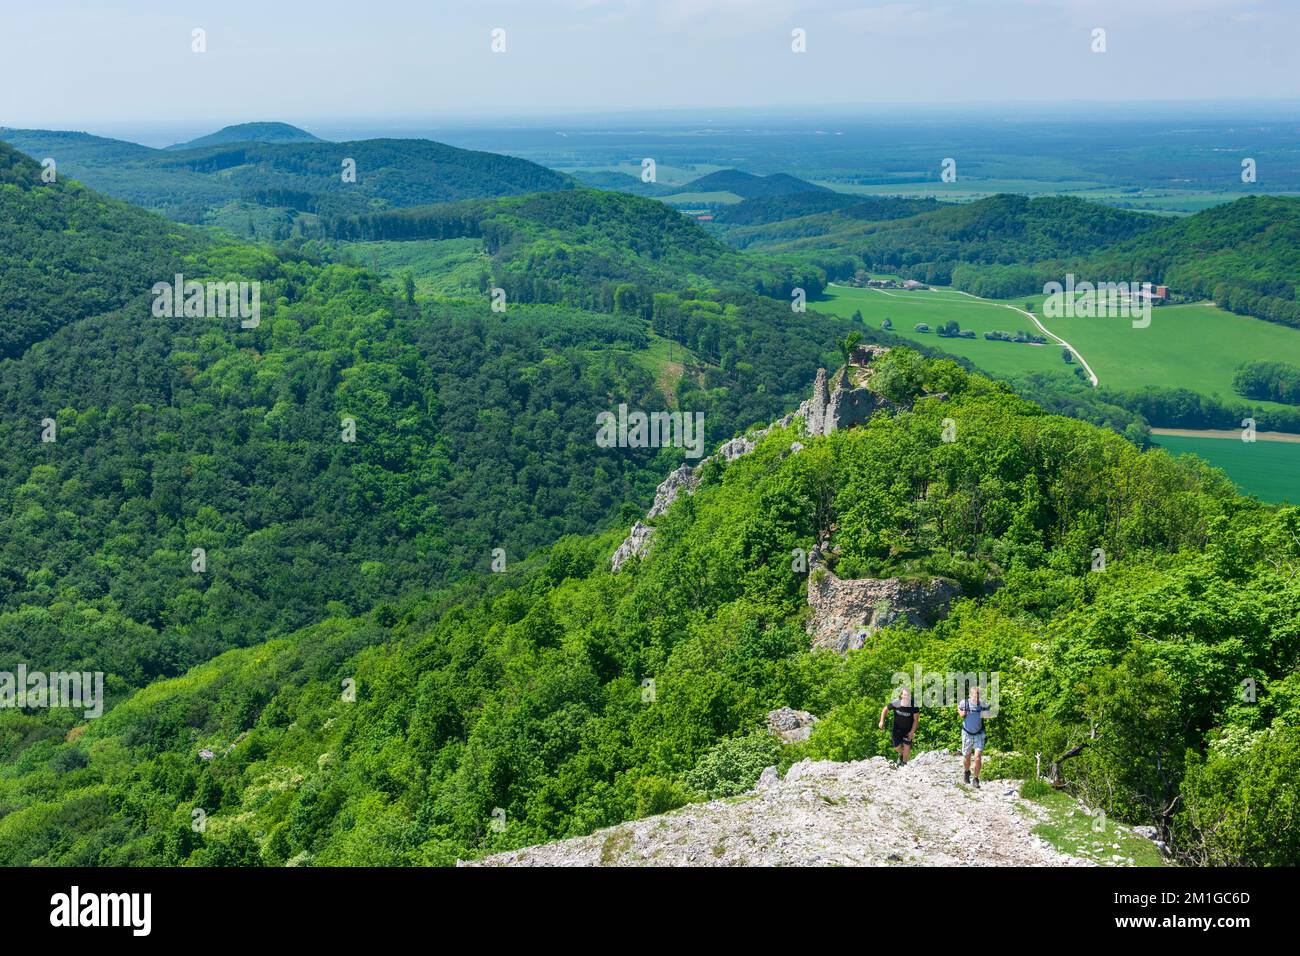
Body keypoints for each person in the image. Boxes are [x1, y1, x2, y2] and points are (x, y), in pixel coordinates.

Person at [957, 687, 991, 788]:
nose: (976, 698)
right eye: (974, 696)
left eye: (978, 696)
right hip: (967, 733)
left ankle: (976, 779)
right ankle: (967, 772)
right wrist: (961, 713)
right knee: (967, 756)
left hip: (979, 733)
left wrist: (985, 714)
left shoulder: (982, 704)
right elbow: (958, 707)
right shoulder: (965, 703)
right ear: (970, 695)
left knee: (977, 757)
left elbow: (988, 713)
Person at [878, 687, 920, 766]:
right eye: (904, 695)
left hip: (908, 730)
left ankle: (904, 763)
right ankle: (903, 754)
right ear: (901, 695)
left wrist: (912, 732)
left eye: (908, 695)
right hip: (897, 729)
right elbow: (885, 709)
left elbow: (916, 720)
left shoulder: (914, 706)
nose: (906, 697)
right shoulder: (896, 703)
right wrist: (881, 721)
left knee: (907, 746)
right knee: (897, 747)